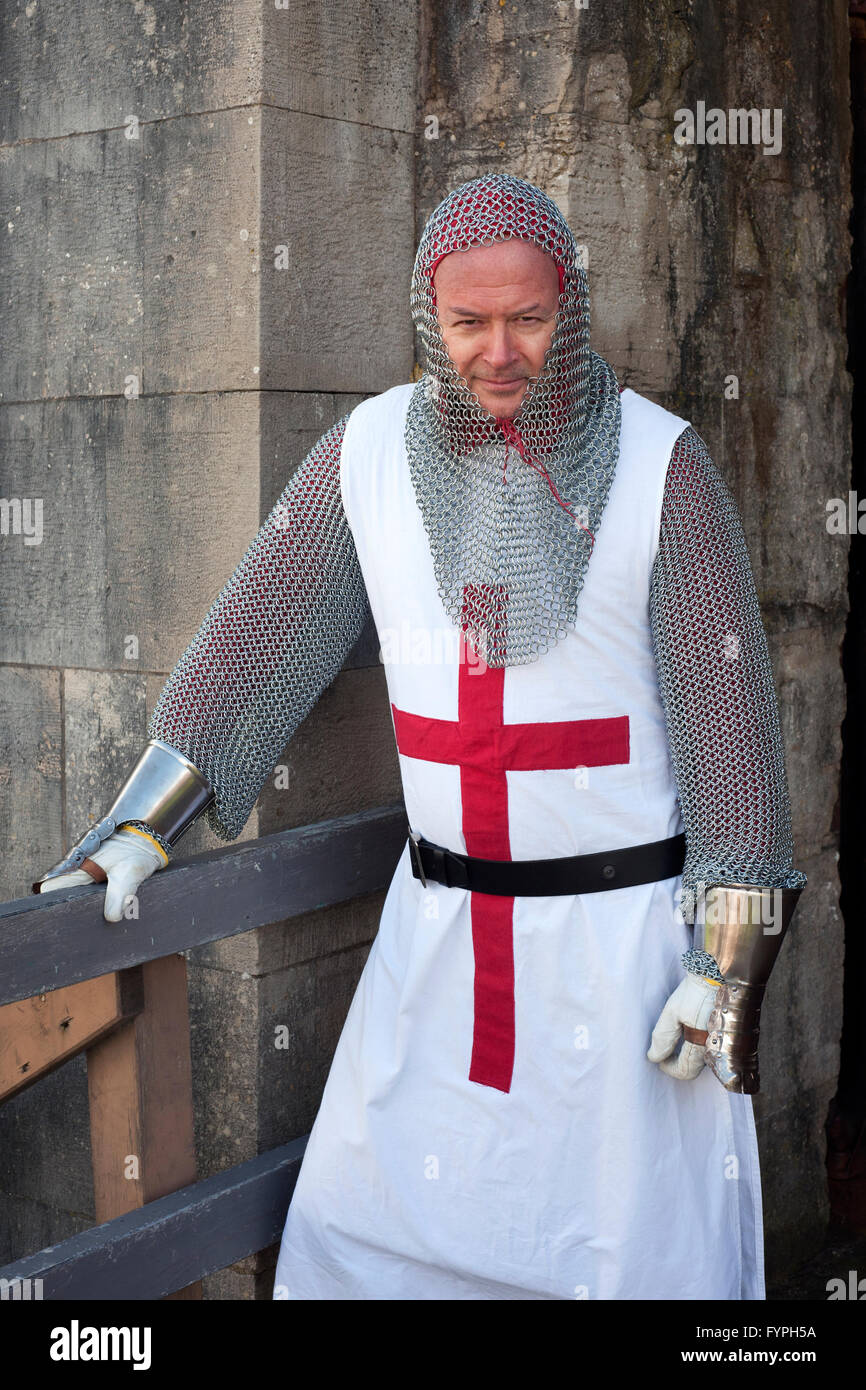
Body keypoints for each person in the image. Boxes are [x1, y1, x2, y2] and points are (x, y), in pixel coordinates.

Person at [34, 173, 806, 1300]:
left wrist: (726, 967)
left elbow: (731, 737)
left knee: (630, 1256)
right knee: (372, 1241)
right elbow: (258, 639)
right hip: (435, 946)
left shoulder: (658, 467)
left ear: (570, 309)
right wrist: (147, 820)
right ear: (428, 321)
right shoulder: (368, 453)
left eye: (529, 318)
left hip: (625, 963)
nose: (499, 350)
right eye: (468, 321)